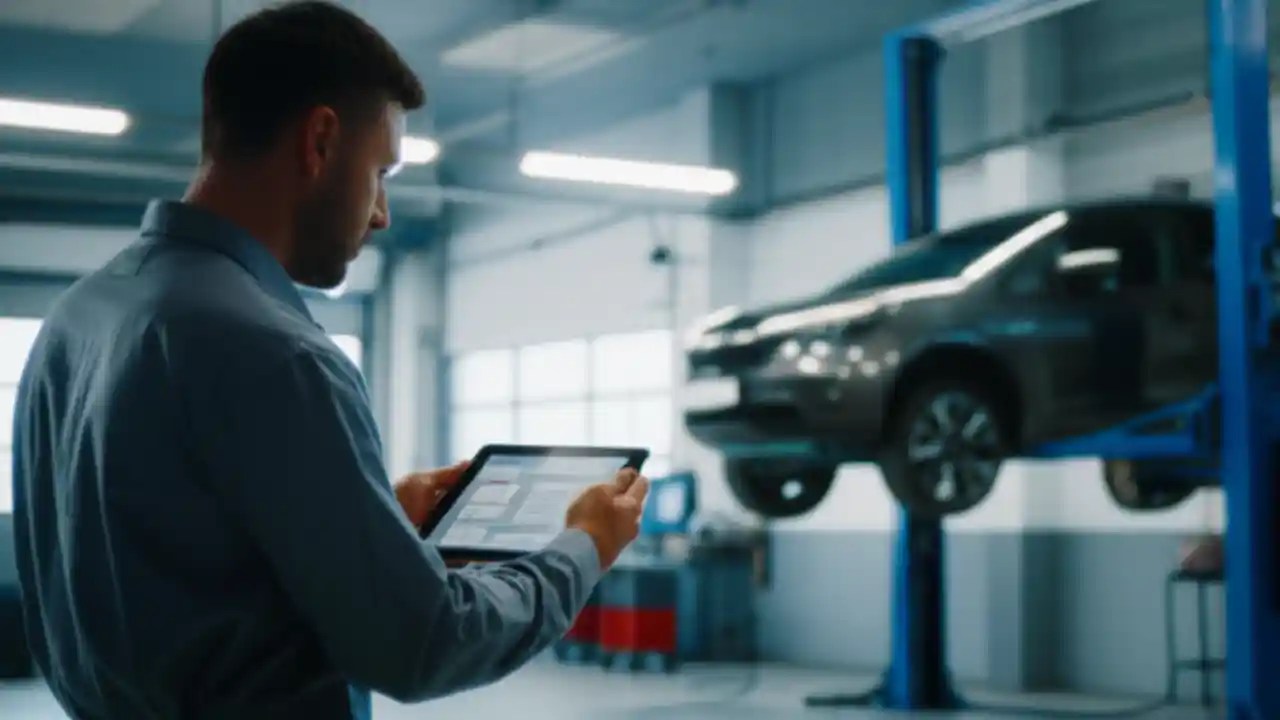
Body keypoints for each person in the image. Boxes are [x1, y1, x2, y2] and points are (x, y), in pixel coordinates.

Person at [10, 2, 648, 719]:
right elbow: (424, 641)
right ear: (319, 141)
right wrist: (583, 546)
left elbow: (175, 562)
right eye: (380, 172)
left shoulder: (80, 316)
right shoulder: (276, 352)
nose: (381, 213)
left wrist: (375, 524)